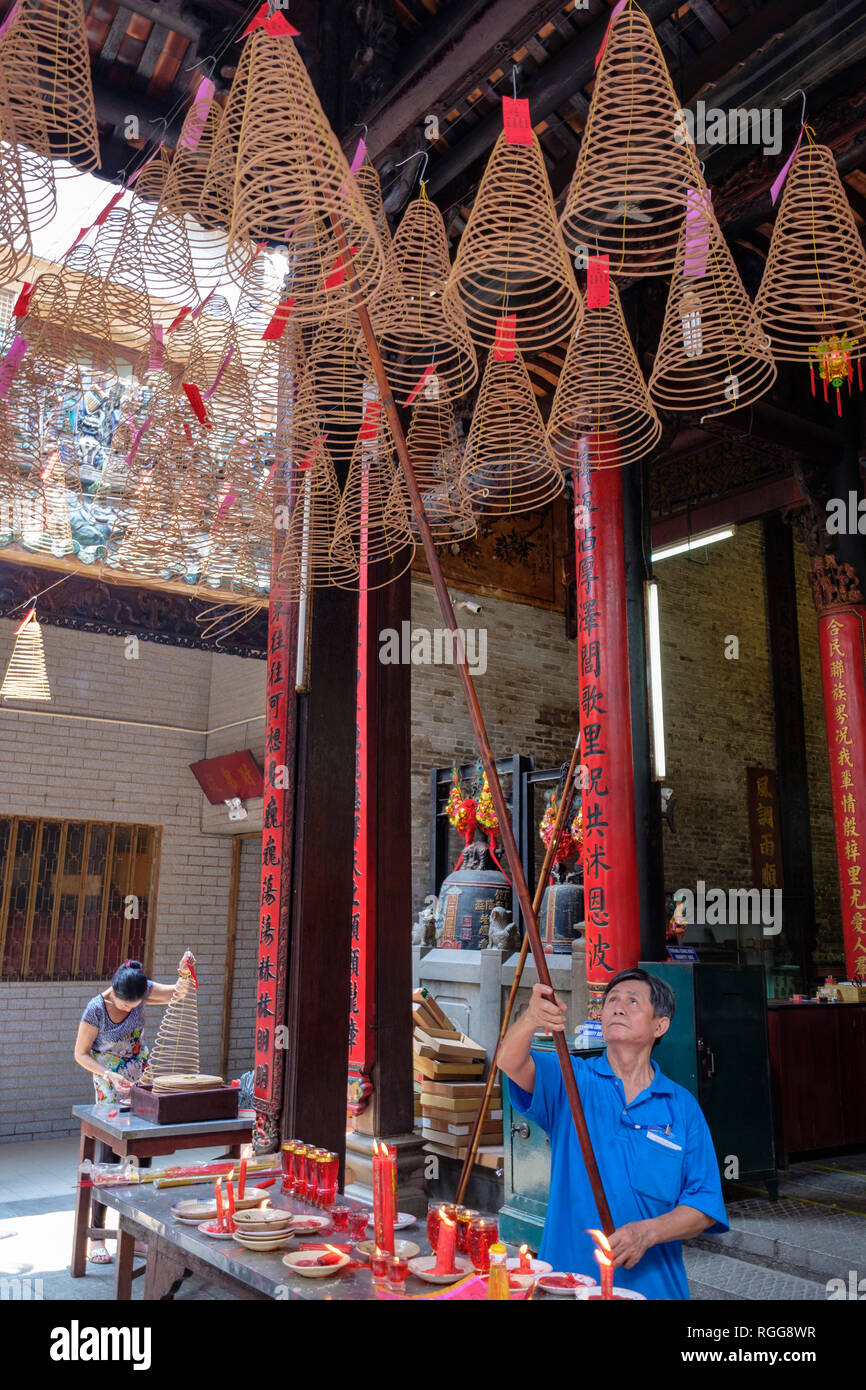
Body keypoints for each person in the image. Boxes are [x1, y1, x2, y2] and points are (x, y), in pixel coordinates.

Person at [498, 967, 728, 1299]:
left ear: (660, 1025)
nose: (617, 1007)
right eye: (612, 1001)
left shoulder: (681, 1107)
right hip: (568, 1283)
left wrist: (648, 1233)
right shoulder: (572, 1079)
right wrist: (531, 1018)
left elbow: (704, 1205)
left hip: (654, 1289)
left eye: (633, 1001)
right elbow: (510, 1062)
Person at [73, 956, 190, 1264]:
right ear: (114, 991)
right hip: (109, 1078)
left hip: (140, 1073)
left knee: (143, 1147)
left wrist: (186, 974)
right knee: (112, 1155)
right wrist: (107, 1073)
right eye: (125, 1006)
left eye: (135, 1005)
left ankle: (137, 1235)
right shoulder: (95, 1010)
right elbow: (80, 1054)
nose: (128, 1010)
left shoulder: (142, 989)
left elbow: (177, 993)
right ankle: (97, 1236)